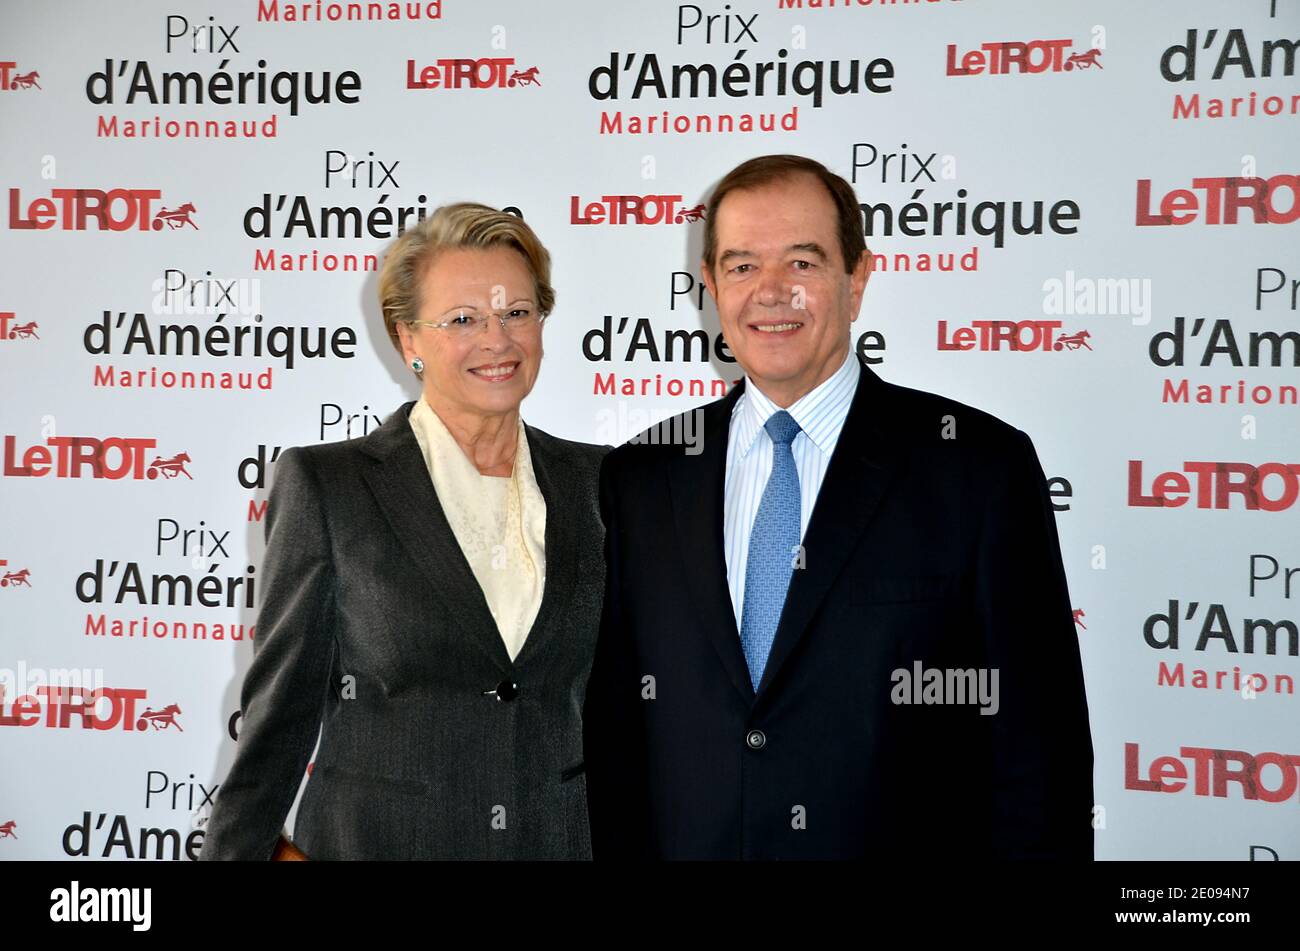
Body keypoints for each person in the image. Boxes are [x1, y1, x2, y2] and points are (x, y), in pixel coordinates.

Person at [583, 155, 1094, 860]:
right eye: (740, 266)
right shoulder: (643, 477)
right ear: (709, 287)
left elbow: (1040, 760)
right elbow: (618, 739)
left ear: (857, 280)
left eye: (802, 262)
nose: (770, 292)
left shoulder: (977, 470)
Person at [200, 203, 607, 860]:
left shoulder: (602, 483)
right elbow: (278, 722)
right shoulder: (330, 487)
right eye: (463, 319)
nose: (497, 340)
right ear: (408, 339)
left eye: (517, 312)